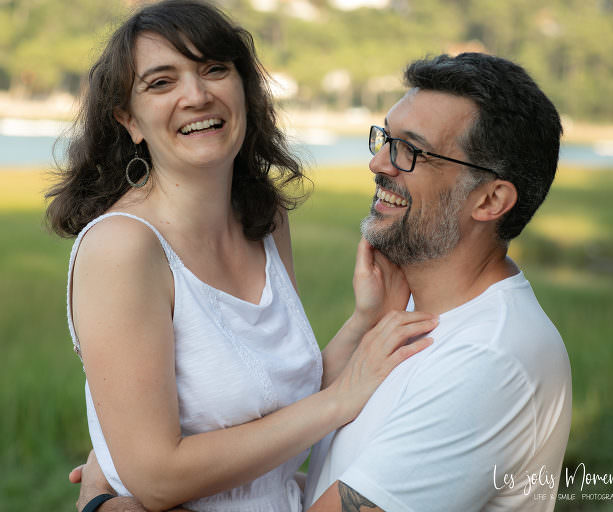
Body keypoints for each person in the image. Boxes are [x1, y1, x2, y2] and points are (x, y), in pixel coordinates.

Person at [73, 52, 573, 511]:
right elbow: (291, 425)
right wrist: (364, 322)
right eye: (385, 139)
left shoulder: (486, 360)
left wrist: (107, 504)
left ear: (489, 201)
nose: (379, 164)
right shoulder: (414, 320)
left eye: (410, 152)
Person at [47, 1, 434, 512]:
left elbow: (281, 403)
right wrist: (338, 403)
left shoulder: (265, 219)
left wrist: (367, 319)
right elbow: (157, 479)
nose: (197, 95)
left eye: (214, 70)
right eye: (162, 83)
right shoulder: (123, 248)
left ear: (244, 90)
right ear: (129, 119)